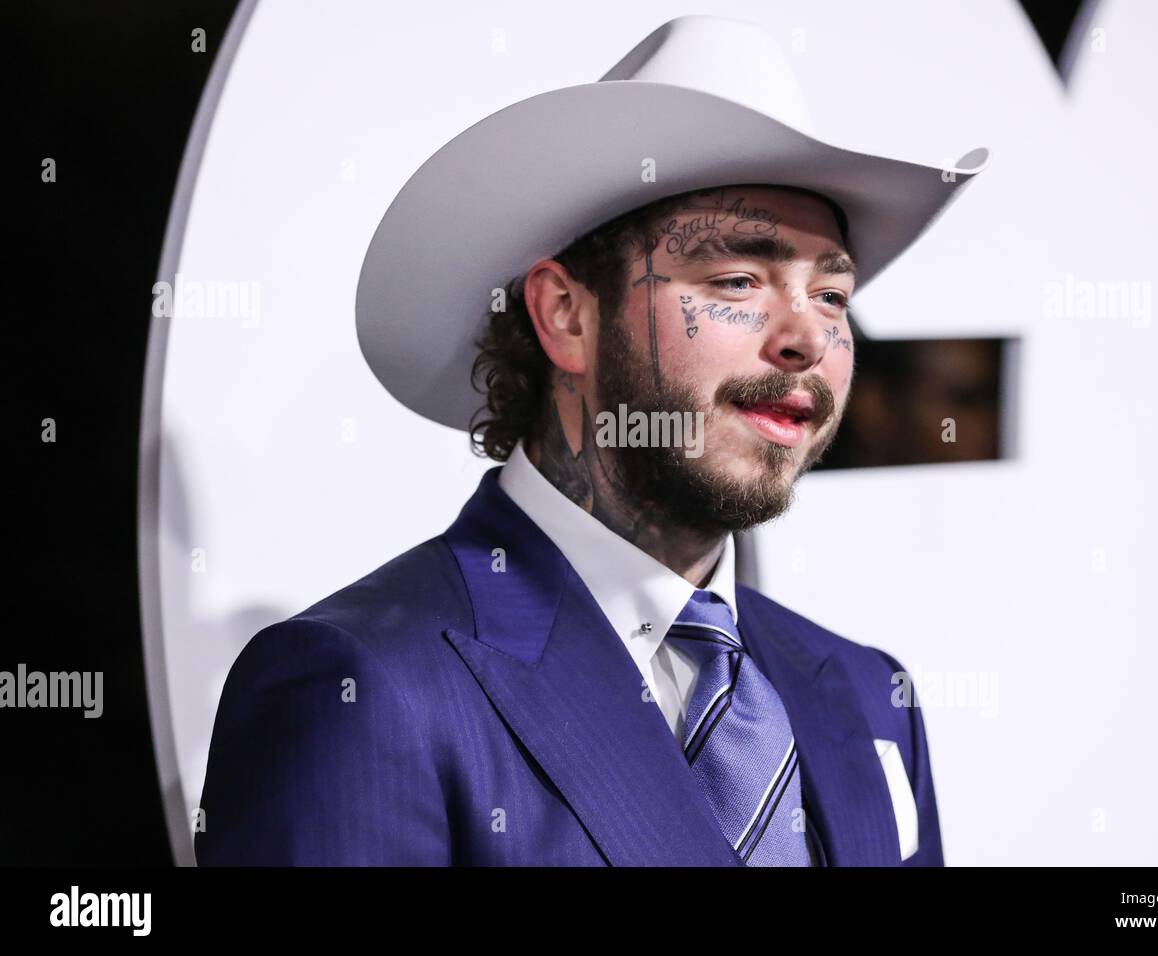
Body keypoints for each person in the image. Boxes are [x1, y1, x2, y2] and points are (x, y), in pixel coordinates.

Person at [195, 14, 986, 867]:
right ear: (567, 316)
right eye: (737, 280)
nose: (807, 338)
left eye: (832, 297)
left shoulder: (870, 696)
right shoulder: (363, 687)